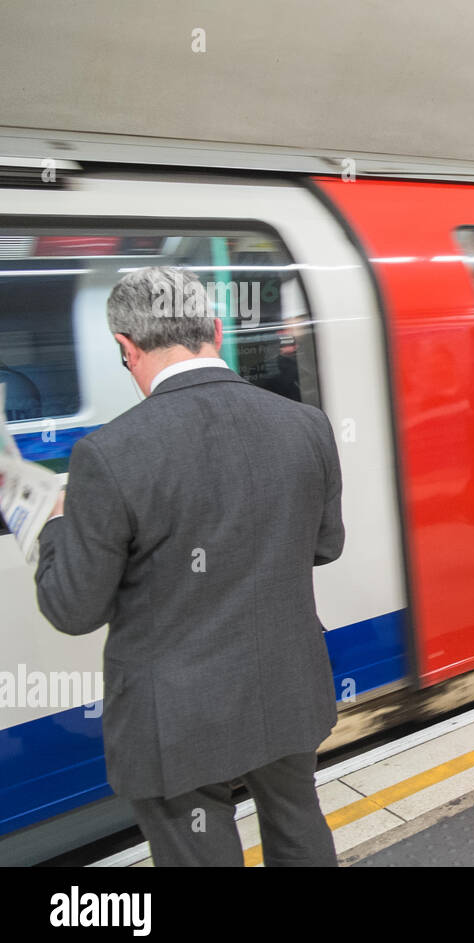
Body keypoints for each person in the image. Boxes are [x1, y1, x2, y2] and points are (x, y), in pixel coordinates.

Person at [34, 266, 343, 866]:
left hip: (175, 719)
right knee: (297, 824)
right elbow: (323, 546)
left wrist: (55, 525)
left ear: (127, 348)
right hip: (285, 682)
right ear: (217, 331)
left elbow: (73, 609)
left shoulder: (109, 454)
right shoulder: (306, 425)